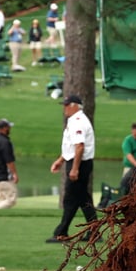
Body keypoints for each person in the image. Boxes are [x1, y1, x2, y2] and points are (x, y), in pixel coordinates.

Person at [47, 94, 96, 243]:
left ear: (75, 106)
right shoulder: (75, 120)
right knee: (82, 199)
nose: (65, 108)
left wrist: (74, 169)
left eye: (67, 105)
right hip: (77, 162)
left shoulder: (78, 122)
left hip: (79, 163)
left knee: (70, 198)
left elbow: (79, 147)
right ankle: (94, 231)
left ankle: (61, 232)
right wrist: (61, 160)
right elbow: (71, 146)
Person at [0, 118, 18, 210]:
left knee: (2, 200)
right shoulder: (5, 142)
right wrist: (14, 174)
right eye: (8, 127)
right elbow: (9, 161)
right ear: (4, 128)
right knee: (11, 200)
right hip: (4, 176)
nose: (10, 129)